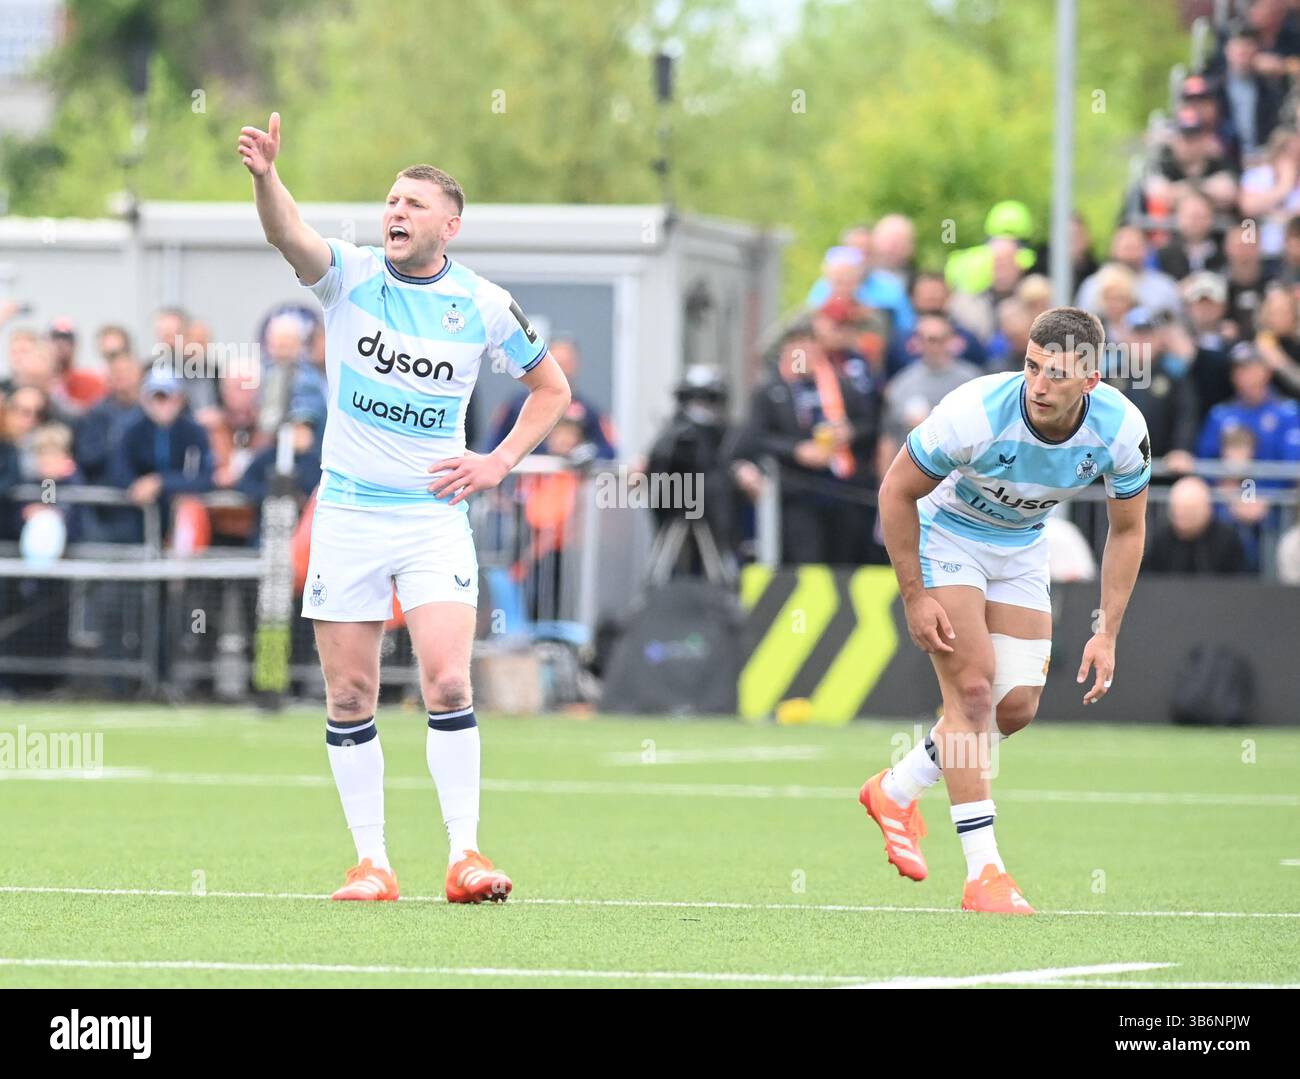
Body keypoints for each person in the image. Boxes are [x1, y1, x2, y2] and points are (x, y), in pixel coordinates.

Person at [238, 112, 570, 904]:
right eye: (390, 201)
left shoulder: (483, 304)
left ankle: (465, 856)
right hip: (348, 514)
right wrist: (265, 177)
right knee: (349, 695)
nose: (396, 213)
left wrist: (497, 461)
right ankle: (373, 863)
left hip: (430, 518)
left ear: (449, 226)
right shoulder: (350, 275)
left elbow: (550, 389)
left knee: (449, 682)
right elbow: (289, 236)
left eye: (414, 205)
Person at [861, 307, 1151, 914]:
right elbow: (895, 491)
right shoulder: (974, 412)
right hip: (948, 537)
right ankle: (983, 874)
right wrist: (915, 596)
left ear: (1091, 381)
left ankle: (896, 787)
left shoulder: (1123, 430)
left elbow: (1126, 531)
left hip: (1021, 549)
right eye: (1032, 366)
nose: (1040, 385)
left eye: (1058, 374)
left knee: (1012, 709)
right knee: (970, 695)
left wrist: (1108, 633)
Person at [1144, 475, 1246, 574]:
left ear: (1207, 510)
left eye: (1190, 511)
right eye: (1178, 511)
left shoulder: (1227, 539)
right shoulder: (1161, 541)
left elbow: (1238, 582)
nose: (1183, 517)